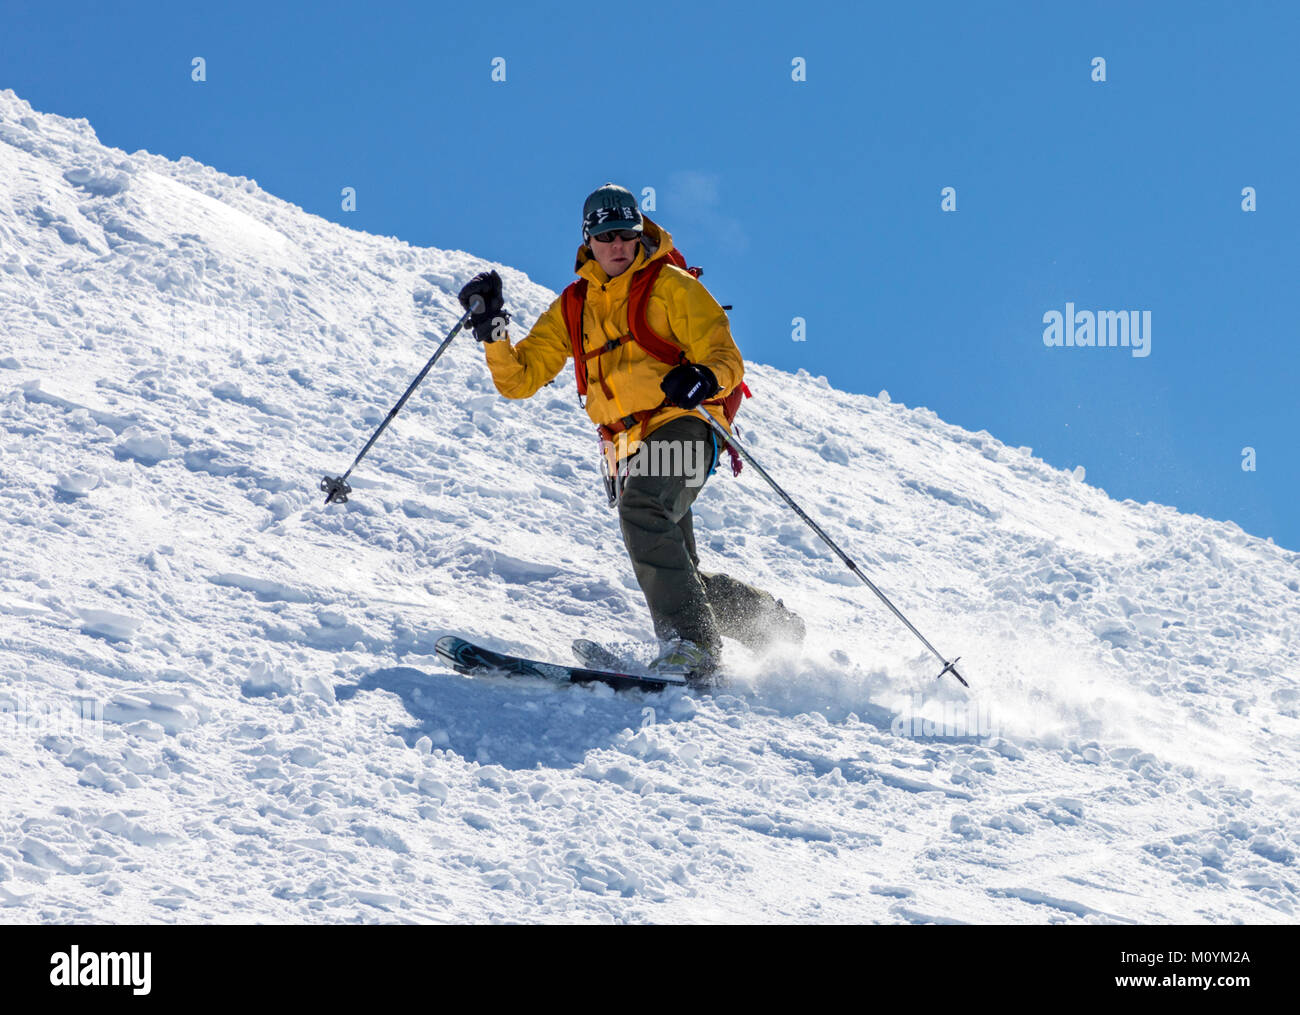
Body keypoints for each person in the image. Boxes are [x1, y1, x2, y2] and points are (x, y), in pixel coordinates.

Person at [457, 183, 804, 681]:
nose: (618, 245)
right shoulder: (574, 307)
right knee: (675, 565)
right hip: (625, 446)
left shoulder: (671, 287)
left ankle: (693, 648)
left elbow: (724, 354)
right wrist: (494, 331)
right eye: (606, 236)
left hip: (684, 425)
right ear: (588, 240)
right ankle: (771, 624)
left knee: (642, 509)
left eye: (626, 234)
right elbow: (521, 378)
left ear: (640, 233)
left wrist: (704, 376)